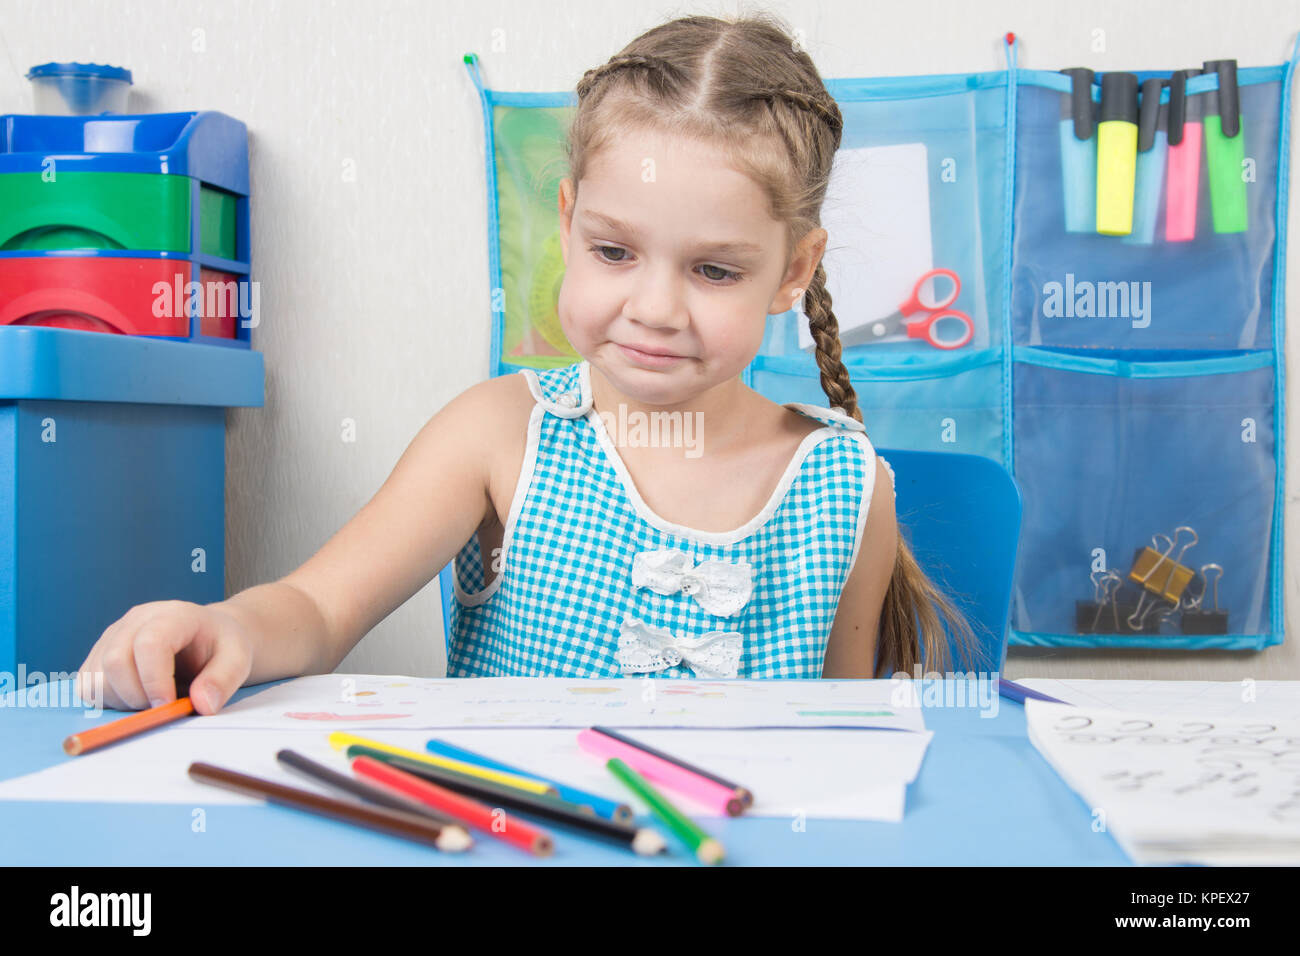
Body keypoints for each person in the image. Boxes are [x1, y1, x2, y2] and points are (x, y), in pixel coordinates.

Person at [75, 12, 982, 714]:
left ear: (793, 271)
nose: (654, 308)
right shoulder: (500, 435)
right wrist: (222, 627)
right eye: (614, 252)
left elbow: (853, 744)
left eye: (713, 269)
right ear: (567, 221)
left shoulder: (846, 486)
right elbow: (315, 612)